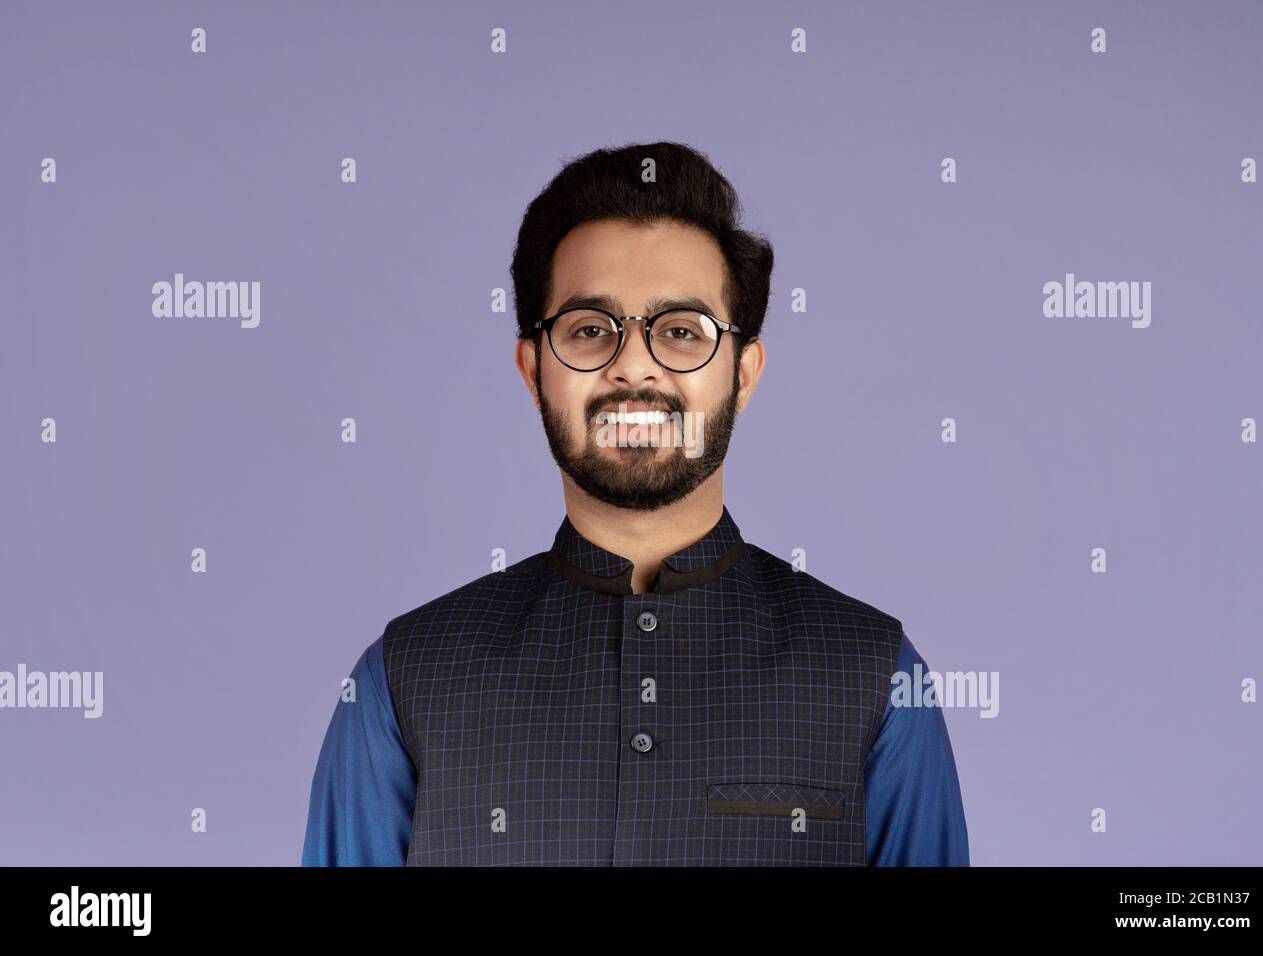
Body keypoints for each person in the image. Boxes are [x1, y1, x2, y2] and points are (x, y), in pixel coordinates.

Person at [301, 141, 969, 866]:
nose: (633, 365)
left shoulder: (873, 675)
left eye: (681, 331)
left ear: (743, 374)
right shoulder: (403, 682)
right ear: (535, 371)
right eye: (591, 330)